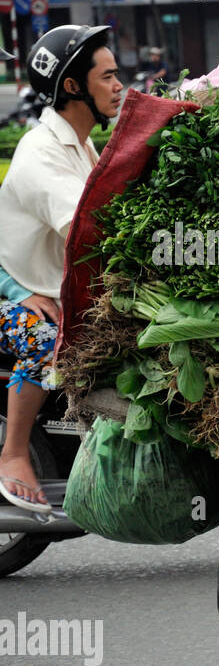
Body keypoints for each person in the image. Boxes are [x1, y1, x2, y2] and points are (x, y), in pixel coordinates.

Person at [0, 26, 122, 511]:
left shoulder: (80, 144)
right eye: (108, 77)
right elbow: (88, 231)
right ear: (73, 87)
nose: (119, 86)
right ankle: (12, 454)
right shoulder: (42, 153)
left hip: (49, 289)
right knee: (48, 344)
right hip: (14, 298)